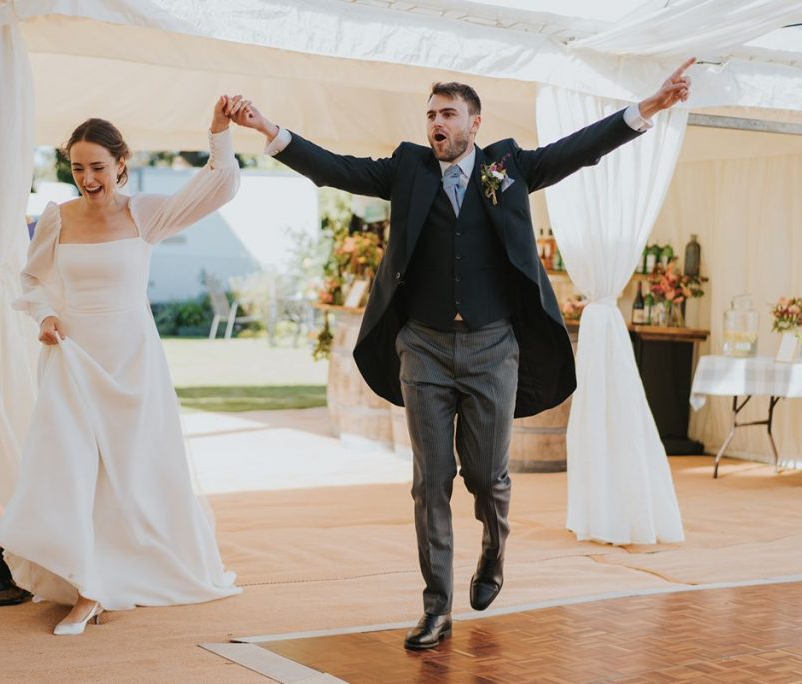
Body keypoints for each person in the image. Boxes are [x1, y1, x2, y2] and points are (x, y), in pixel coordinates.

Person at [229, 60, 693, 649]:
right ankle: (436, 608)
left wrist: (647, 107)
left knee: (488, 476)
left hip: (492, 347)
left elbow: (581, 148)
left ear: (474, 122)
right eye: (430, 115)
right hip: (421, 346)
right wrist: (268, 127)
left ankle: (494, 555)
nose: (436, 124)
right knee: (431, 480)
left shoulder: (508, 167)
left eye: (448, 114)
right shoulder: (408, 169)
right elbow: (336, 170)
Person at [0, 96, 249, 635]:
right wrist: (44, 316)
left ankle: (111, 577)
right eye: (77, 167)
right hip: (74, 359)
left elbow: (221, 183)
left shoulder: (148, 212)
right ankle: (86, 587)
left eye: (97, 167)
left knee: (129, 475)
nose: (87, 178)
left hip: (133, 362)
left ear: (120, 163)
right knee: (70, 468)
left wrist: (217, 132)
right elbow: (31, 281)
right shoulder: (56, 217)